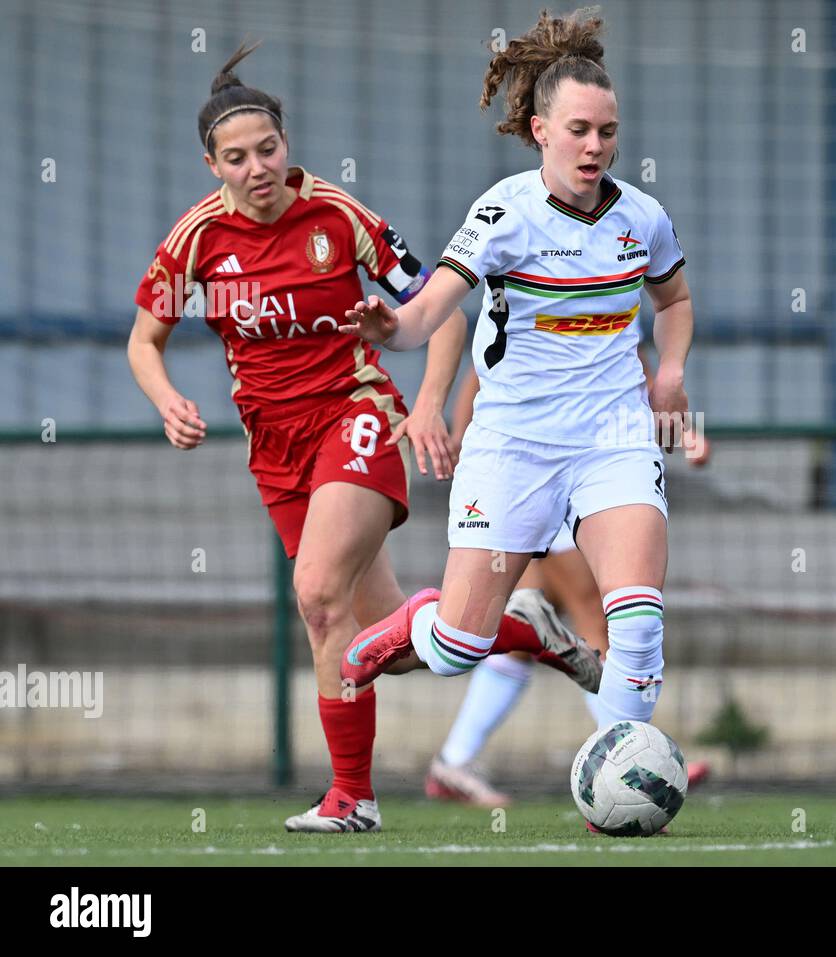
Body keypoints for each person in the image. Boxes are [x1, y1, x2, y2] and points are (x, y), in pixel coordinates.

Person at [126, 41, 599, 833]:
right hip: (275, 452)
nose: (258, 168)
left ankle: (352, 796)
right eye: (237, 158)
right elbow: (145, 339)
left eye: (269, 148)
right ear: (212, 165)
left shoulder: (339, 216)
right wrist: (168, 398)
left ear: (286, 143)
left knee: (315, 595)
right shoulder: (196, 240)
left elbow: (442, 305)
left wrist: (423, 406)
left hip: (356, 417)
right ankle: (526, 628)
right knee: (395, 641)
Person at [341, 9, 695, 771]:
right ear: (540, 130)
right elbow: (433, 309)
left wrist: (669, 374)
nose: (595, 146)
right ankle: (455, 623)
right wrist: (390, 326)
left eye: (607, 130)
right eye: (578, 130)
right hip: (514, 442)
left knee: (634, 624)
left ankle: (621, 790)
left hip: (613, 439)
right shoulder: (503, 213)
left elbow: (675, 302)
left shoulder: (644, 219)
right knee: (457, 648)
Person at [422, 361, 712, 806]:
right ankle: (632, 760)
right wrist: (465, 442)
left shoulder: (616, 300)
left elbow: (630, 367)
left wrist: (683, 428)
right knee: (596, 618)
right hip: (539, 468)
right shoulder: (538, 297)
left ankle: (453, 761)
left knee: (522, 633)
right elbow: (484, 368)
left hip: (577, 470)